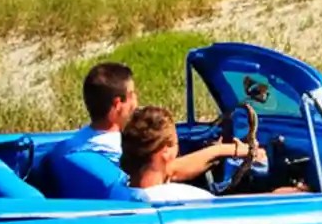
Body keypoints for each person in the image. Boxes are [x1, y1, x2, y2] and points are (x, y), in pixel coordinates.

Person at [47, 61, 259, 180]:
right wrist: (228, 150)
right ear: (117, 104)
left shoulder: (71, 145)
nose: (137, 101)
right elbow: (168, 171)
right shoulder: (115, 149)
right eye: (132, 95)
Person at [121, 106, 307, 203]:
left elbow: (175, 168)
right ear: (166, 151)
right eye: (176, 144)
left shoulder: (119, 189)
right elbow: (231, 208)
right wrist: (284, 194)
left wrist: (227, 150)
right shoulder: (175, 197)